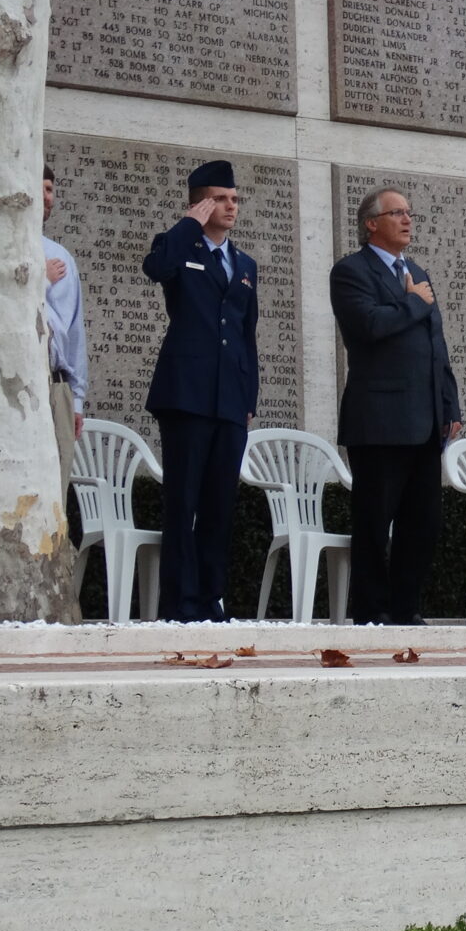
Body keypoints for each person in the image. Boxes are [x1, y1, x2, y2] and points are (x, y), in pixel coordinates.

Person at [330, 187, 462, 627]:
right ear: (371, 224)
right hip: (380, 419)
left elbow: (435, 347)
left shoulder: (417, 272)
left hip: (425, 421)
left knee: (423, 523)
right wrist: (413, 302)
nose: (407, 219)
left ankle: (407, 609)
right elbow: (368, 326)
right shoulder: (351, 271)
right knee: (373, 521)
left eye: (409, 212)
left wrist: (450, 404)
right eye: (396, 213)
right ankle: (371, 610)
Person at [142, 159, 259, 622]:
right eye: (221, 199)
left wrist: (248, 397)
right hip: (186, 394)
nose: (231, 206)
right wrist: (188, 223)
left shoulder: (244, 263)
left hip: (229, 398)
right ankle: (180, 604)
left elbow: (247, 335)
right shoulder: (179, 247)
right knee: (183, 501)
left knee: (218, 504)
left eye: (234, 199)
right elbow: (156, 268)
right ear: (201, 202)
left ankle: (212, 600)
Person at [40, 163, 88, 502]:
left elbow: (73, 332)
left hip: (55, 386)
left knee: (53, 488)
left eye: (50, 189)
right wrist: (38, 281)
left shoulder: (60, 256)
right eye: (40, 188)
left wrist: (77, 399)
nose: (47, 198)